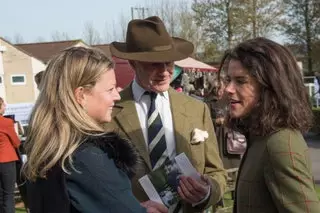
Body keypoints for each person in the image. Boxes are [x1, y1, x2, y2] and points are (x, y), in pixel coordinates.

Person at [23, 47, 168, 213]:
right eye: (110, 89)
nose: (117, 96)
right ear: (81, 95)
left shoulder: (54, 150)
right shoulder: (85, 158)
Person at [106, 16, 226, 213]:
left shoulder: (197, 109)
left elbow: (216, 173)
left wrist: (206, 192)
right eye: (154, 64)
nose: (164, 72)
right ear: (133, 63)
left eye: (169, 63)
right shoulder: (110, 111)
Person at [219, 37, 320, 212]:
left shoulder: (279, 143)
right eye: (229, 79)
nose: (228, 88)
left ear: (270, 86)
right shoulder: (260, 136)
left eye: (241, 81)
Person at [0, 97, 21, 213]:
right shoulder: (6, 122)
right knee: (8, 194)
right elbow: (16, 142)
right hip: (6, 161)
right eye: (3, 105)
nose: (5, 107)